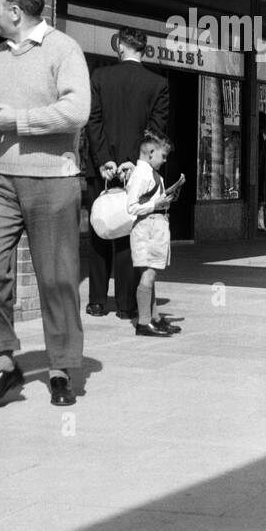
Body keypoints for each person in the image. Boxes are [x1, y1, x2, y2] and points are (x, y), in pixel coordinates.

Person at [0, 0, 90, 410]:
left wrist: (15, 121)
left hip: (53, 179)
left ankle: (59, 368)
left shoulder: (64, 49)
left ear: (16, 12)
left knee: (57, 279)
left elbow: (77, 111)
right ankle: (5, 363)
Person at [84, 27, 169, 320]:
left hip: (102, 169)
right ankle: (125, 304)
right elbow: (155, 131)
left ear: (120, 46)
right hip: (137, 171)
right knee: (129, 233)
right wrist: (136, 161)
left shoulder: (99, 77)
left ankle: (96, 301)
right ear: (143, 49)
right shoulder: (157, 84)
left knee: (100, 228)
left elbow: (92, 122)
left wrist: (105, 160)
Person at [124, 127, 184, 337]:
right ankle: (143, 322)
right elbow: (131, 207)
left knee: (150, 275)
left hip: (153, 228)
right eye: (163, 156)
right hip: (146, 229)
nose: (165, 160)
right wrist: (156, 204)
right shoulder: (142, 174)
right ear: (150, 153)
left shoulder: (150, 173)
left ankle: (154, 318)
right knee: (148, 275)